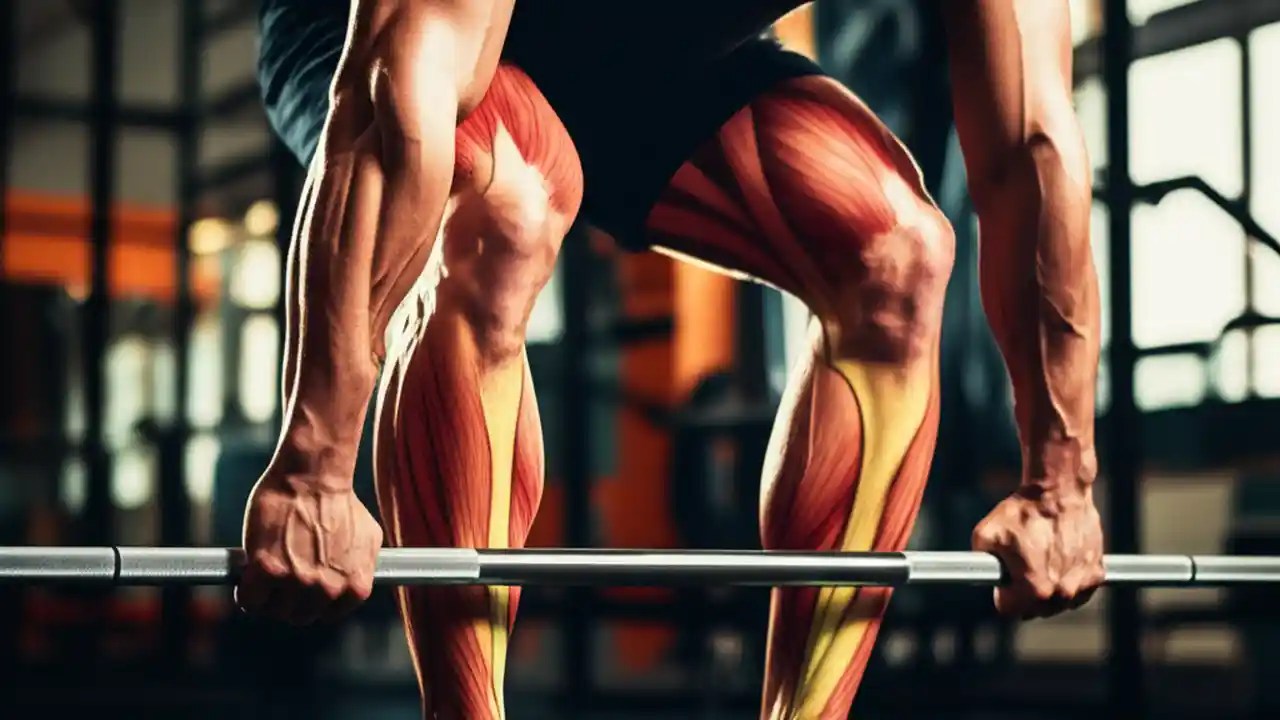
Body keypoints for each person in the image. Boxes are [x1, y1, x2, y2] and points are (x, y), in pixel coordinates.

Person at [240, 0, 1105, 717]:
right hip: (384, 39)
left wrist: (1059, 485)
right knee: (508, 210)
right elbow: (402, 84)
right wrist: (316, 465)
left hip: (655, 60)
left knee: (900, 251)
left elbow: (1029, 147)